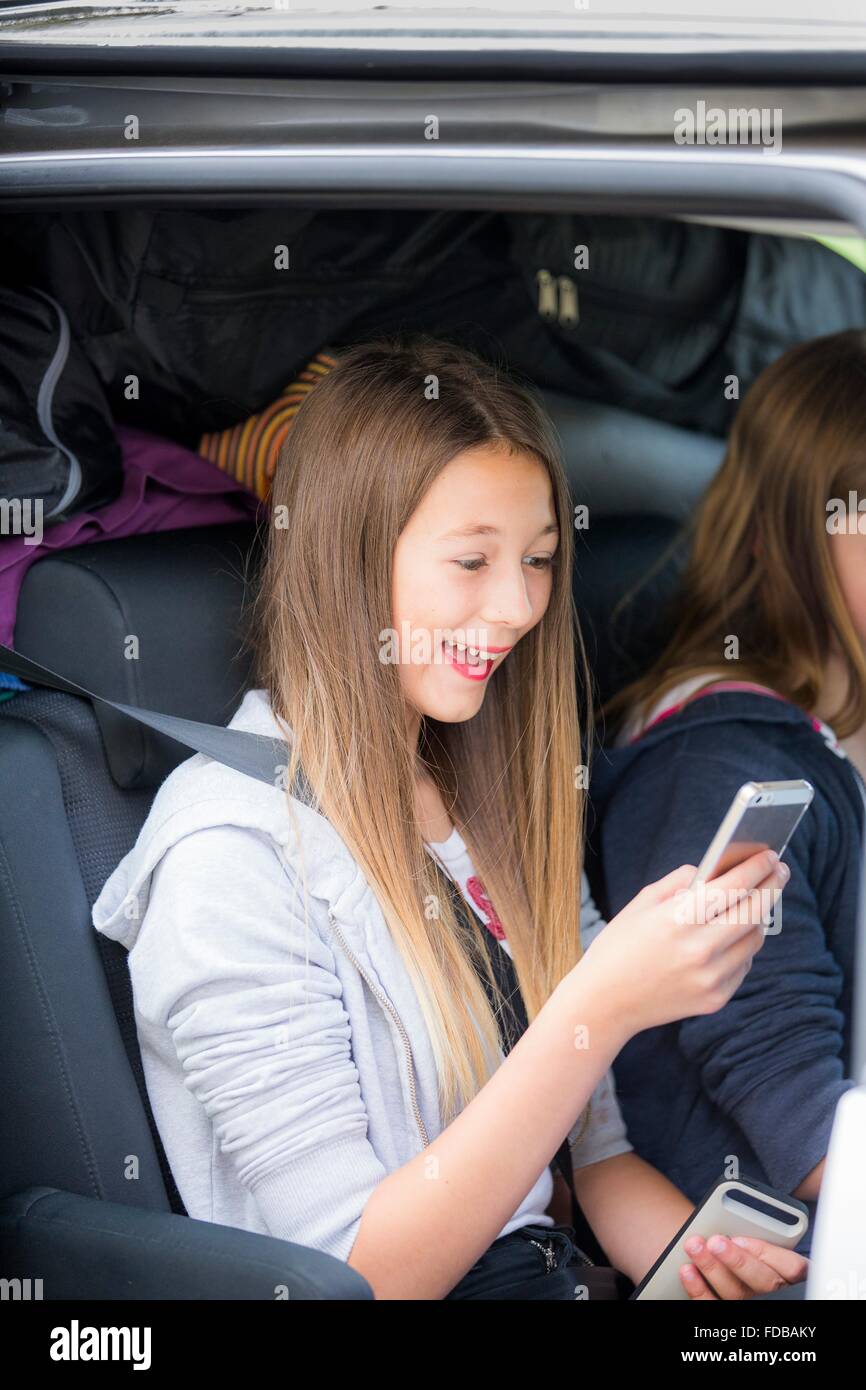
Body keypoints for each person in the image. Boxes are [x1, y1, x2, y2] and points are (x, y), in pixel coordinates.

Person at [92, 336, 798, 1300]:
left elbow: (593, 1165)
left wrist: (716, 1276)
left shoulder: (492, 804)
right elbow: (358, 1274)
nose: (516, 607)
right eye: (472, 560)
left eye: (541, 559)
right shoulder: (228, 858)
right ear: (350, 561)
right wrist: (600, 1005)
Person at [593, 330, 866, 1253]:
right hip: (791, 1261)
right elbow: (804, 1123)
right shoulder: (724, 769)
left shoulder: (836, 726)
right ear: (800, 530)